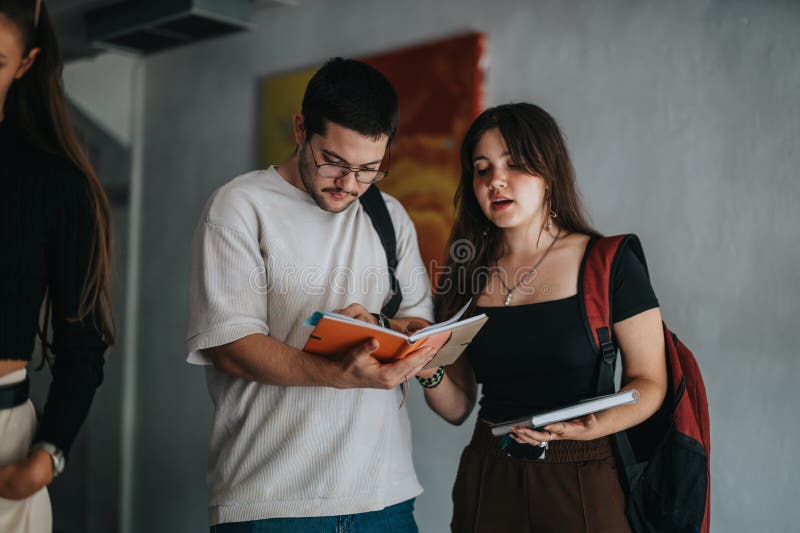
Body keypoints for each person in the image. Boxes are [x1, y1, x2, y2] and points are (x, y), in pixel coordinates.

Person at [186, 57, 436, 532]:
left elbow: (419, 326)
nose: (349, 185)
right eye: (334, 162)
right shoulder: (240, 207)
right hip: (273, 502)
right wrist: (338, 373)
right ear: (301, 129)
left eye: (369, 170)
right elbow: (230, 347)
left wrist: (382, 330)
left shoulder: (389, 215)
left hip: (386, 497)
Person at [419, 103, 668, 532]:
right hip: (490, 475)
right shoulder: (463, 273)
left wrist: (590, 427)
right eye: (481, 169)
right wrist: (425, 368)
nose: (494, 180)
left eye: (513, 164)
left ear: (548, 170)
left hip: (582, 473)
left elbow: (650, 383)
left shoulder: (609, 263)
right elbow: (458, 405)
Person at [0, 1, 114, 532]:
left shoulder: (57, 185)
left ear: (25, 64)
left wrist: (46, 458)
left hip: (5, 444)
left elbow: (83, 345)